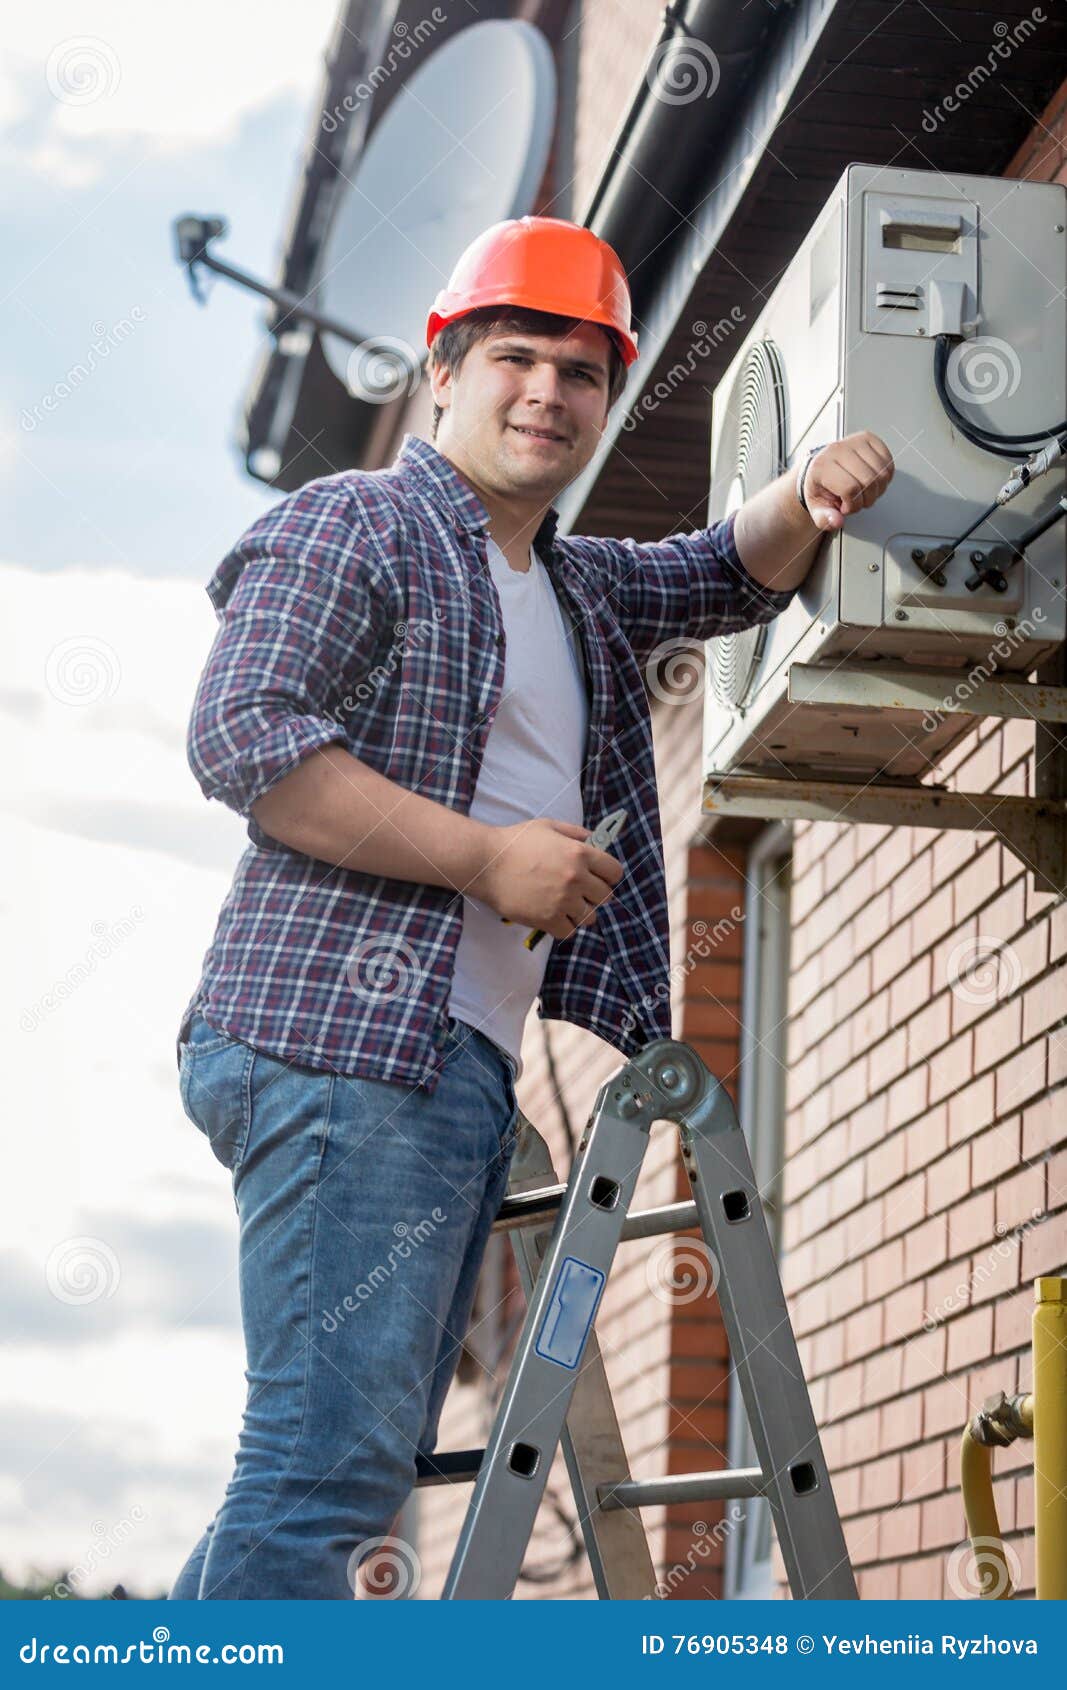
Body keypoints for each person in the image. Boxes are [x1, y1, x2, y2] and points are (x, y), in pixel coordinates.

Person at [169, 215, 894, 1599]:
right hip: (343, 1040)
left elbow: (719, 568)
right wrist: (491, 860)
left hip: (440, 1063)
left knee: (338, 1468)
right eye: (518, 355)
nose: (548, 393)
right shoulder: (364, 519)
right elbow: (246, 737)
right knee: (324, 1470)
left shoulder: (565, 583)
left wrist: (815, 485)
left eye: (583, 370)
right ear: (443, 364)